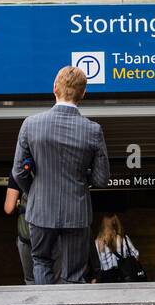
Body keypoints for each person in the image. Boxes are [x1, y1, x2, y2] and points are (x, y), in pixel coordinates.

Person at [11, 65, 110, 284]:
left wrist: (35, 191)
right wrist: (81, 177)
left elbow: (18, 171)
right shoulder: (93, 130)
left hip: (40, 212)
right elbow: (101, 179)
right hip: (77, 212)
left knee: (42, 263)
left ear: (55, 88)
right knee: (74, 274)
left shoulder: (31, 125)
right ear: (83, 94)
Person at [4, 172, 60, 285]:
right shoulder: (52, 168)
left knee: (30, 280)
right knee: (57, 279)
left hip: (27, 234)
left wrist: (19, 204)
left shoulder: (18, 172)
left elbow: (9, 208)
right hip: (52, 231)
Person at [88, 214, 145, 284]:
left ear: (102, 226)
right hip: (123, 277)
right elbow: (136, 255)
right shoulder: (124, 239)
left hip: (105, 279)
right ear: (117, 224)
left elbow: (95, 264)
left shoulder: (97, 242)